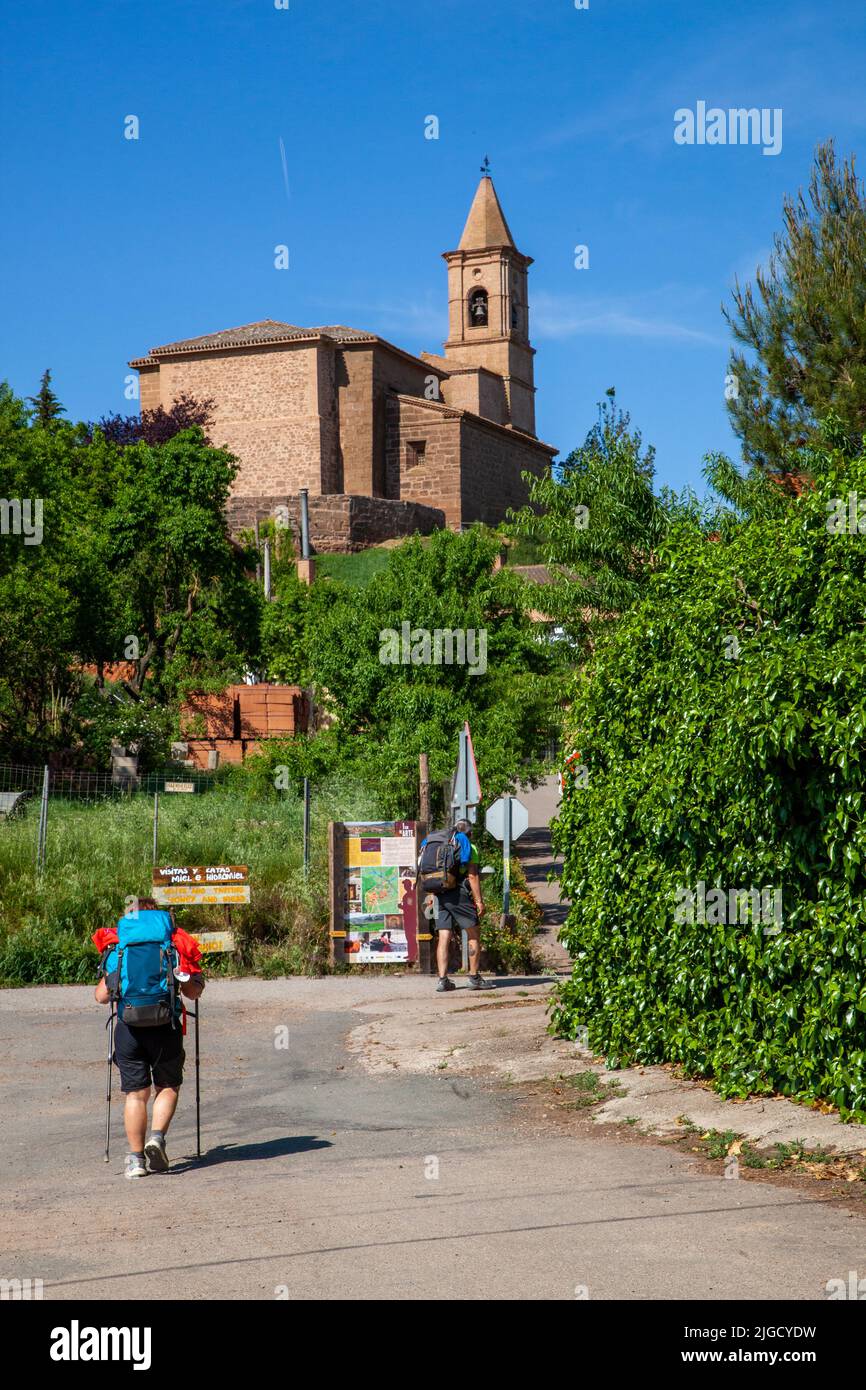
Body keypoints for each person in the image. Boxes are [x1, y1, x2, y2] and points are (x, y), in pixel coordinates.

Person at [94, 898, 204, 1179]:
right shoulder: (174, 945)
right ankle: (157, 1138)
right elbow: (192, 992)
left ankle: (136, 1160)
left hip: (129, 1028)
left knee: (136, 1094)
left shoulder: (120, 947)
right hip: (165, 1025)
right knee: (167, 1086)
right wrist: (191, 983)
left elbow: (101, 996)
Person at [423, 819, 491, 993]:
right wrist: (479, 901)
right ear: (469, 833)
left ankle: (443, 980)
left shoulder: (435, 840)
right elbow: (473, 876)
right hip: (458, 894)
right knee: (473, 934)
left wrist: (431, 895)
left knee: (444, 935)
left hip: (439, 893)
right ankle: (474, 977)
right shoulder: (468, 845)